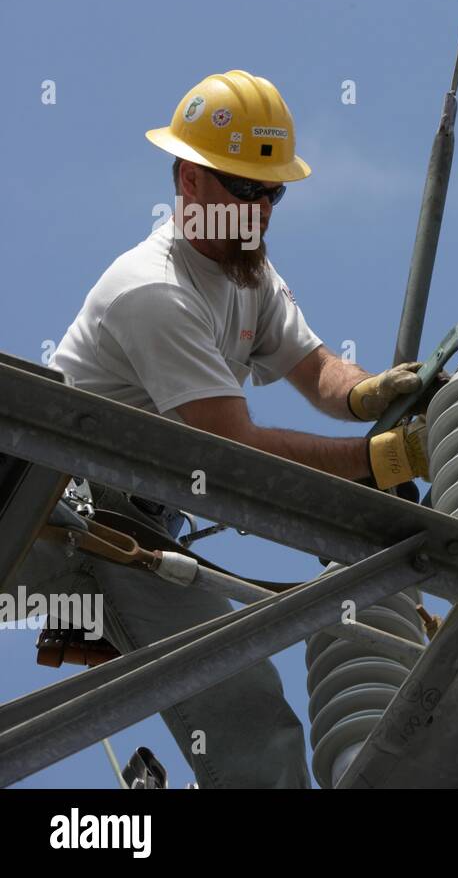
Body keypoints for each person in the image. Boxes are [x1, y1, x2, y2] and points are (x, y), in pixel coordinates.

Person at [20, 70, 431, 787]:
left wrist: (368, 394)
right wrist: (376, 461)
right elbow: (231, 449)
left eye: (273, 192)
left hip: (133, 523)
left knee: (242, 706)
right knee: (241, 707)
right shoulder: (155, 289)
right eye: (245, 189)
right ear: (190, 180)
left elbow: (314, 368)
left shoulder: (249, 275)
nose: (262, 209)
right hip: (68, 521)